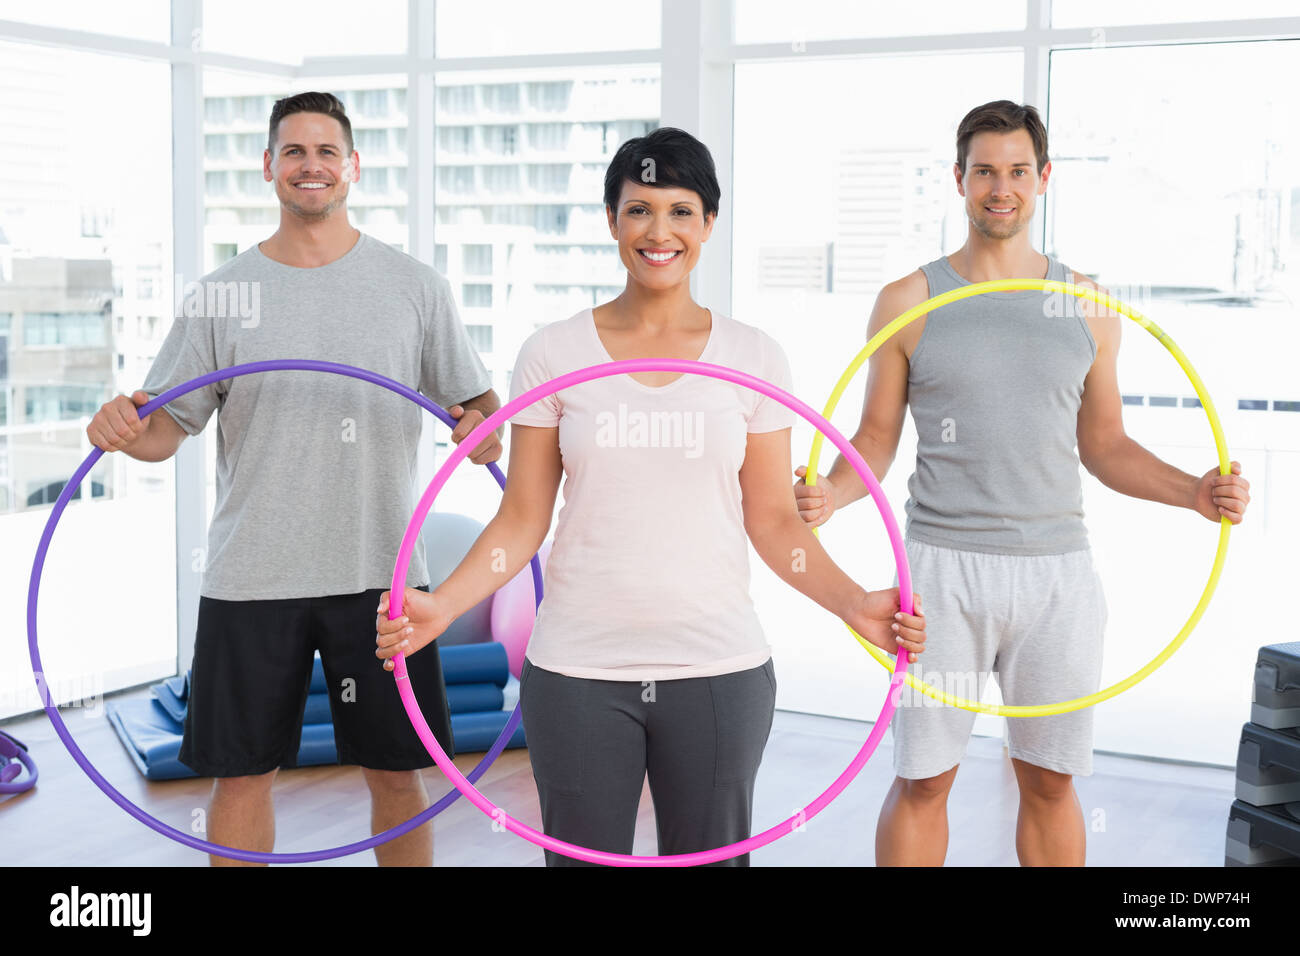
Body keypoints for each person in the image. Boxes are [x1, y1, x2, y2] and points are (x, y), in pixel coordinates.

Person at [375, 127, 927, 866]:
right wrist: (442, 603)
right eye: (638, 210)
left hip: (717, 671)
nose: (658, 231)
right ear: (611, 221)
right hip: (577, 671)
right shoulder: (554, 352)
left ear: (707, 225)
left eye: (679, 210)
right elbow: (523, 517)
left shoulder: (755, 357)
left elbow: (772, 522)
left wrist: (855, 602)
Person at [793, 100, 1252, 867]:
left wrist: (1195, 492)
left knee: (1048, 783)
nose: (999, 188)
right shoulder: (909, 299)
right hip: (940, 571)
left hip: (1057, 578)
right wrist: (830, 497)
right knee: (922, 781)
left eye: (1015, 171)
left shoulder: (1086, 302)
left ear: (1042, 180)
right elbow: (874, 441)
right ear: (959, 180)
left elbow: (1104, 446)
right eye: (983, 172)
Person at [87, 91, 503, 867]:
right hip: (252, 575)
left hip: (380, 577)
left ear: (351, 167)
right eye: (294, 151)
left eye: (325, 152)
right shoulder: (221, 295)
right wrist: (118, 429)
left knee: (397, 775)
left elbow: (478, 410)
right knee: (239, 780)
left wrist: (484, 429)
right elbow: (162, 431)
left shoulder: (414, 286)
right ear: (270, 167)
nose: (310, 165)